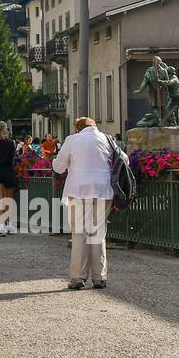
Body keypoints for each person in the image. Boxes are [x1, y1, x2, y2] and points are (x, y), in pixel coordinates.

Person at [52, 117, 114, 290]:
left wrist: (55, 161)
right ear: (94, 126)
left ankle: (78, 277)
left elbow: (59, 167)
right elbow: (123, 160)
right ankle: (99, 277)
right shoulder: (107, 139)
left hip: (78, 190)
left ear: (77, 129)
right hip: (103, 190)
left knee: (80, 233)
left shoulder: (73, 140)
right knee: (98, 232)